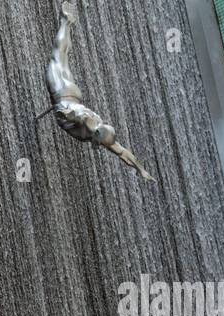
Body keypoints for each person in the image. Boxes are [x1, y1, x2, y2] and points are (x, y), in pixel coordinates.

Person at [42, 1, 155, 182]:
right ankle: (65, 22)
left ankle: (67, 23)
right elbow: (122, 152)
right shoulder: (92, 128)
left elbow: (124, 153)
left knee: (61, 56)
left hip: (72, 94)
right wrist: (65, 114)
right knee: (59, 57)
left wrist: (141, 170)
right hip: (61, 95)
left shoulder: (99, 130)